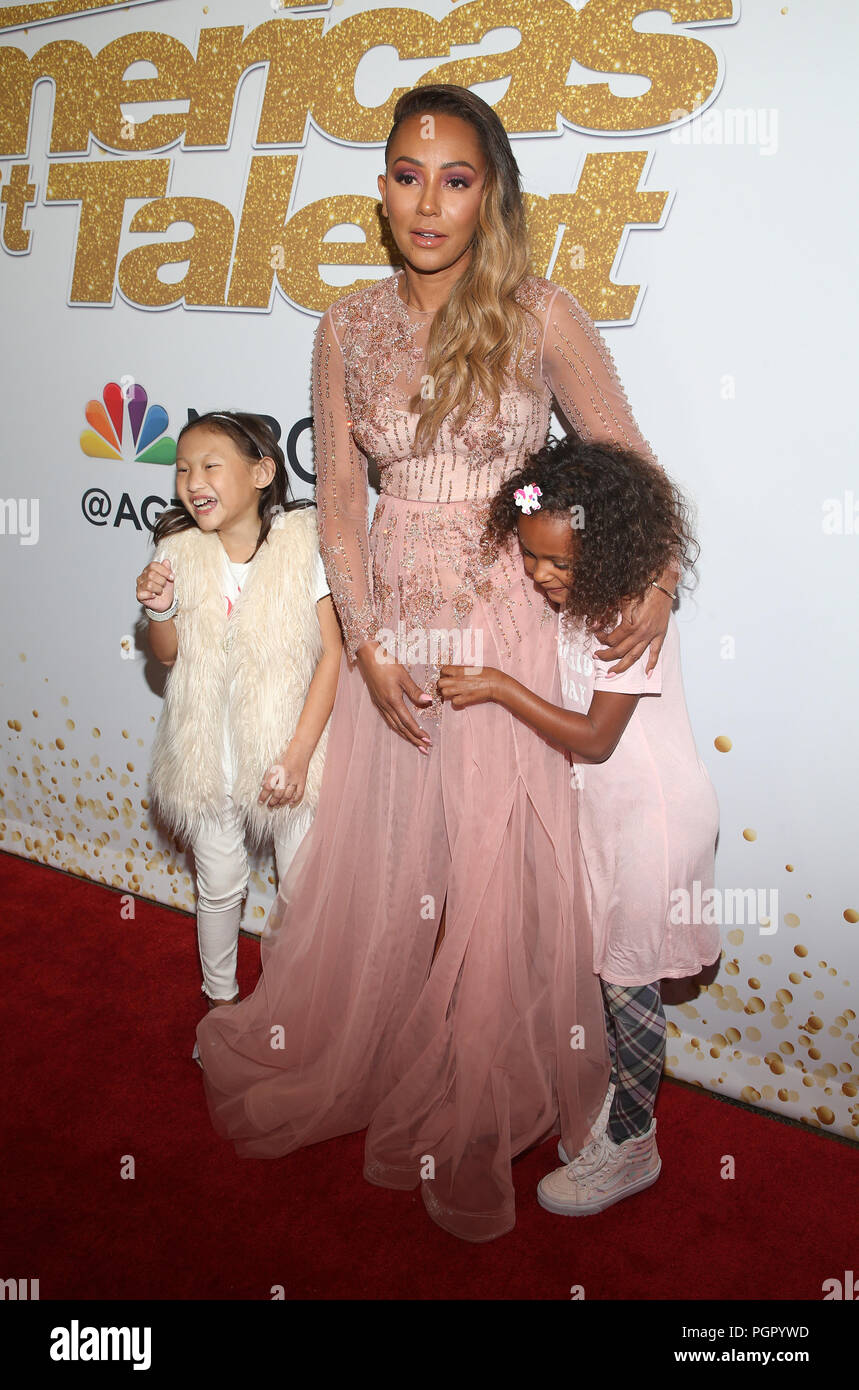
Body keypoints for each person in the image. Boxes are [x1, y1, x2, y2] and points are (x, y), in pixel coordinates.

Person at [195, 84, 677, 1243]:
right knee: (399, 861)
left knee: (505, 873)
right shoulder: (344, 325)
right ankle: (392, 1049)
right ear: (380, 187)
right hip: (391, 639)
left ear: (489, 192)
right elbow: (344, 512)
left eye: (455, 178)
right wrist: (361, 647)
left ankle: (526, 1085)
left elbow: (630, 467)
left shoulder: (538, 312)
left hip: (503, 623)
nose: (428, 199)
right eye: (407, 174)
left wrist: (652, 584)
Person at [438, 434, 721, 1216]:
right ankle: (621, 1119)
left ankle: (632, 1146)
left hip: (652, 822)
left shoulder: (623, 614)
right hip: (613, 817)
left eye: (559, 564)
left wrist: (496, 686)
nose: (541, 576)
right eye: (532, 558)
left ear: (604, 549)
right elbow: (657, 541)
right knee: (612, 978)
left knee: (628, 987)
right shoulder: (601, 589)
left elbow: (595, 738)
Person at [136, 410, 341, 1029]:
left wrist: (300, 754)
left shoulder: (303, 545)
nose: (192, 480)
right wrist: (159, 608)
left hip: (288, 751)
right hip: (206, 757)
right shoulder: (176, 552)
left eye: (209, 466)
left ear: (261, 473)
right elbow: (166, 657)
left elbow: (333, 653)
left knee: (302, 891)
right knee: (219, 886)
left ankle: (293, 1008)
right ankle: (221, 1006)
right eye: (181, 469)